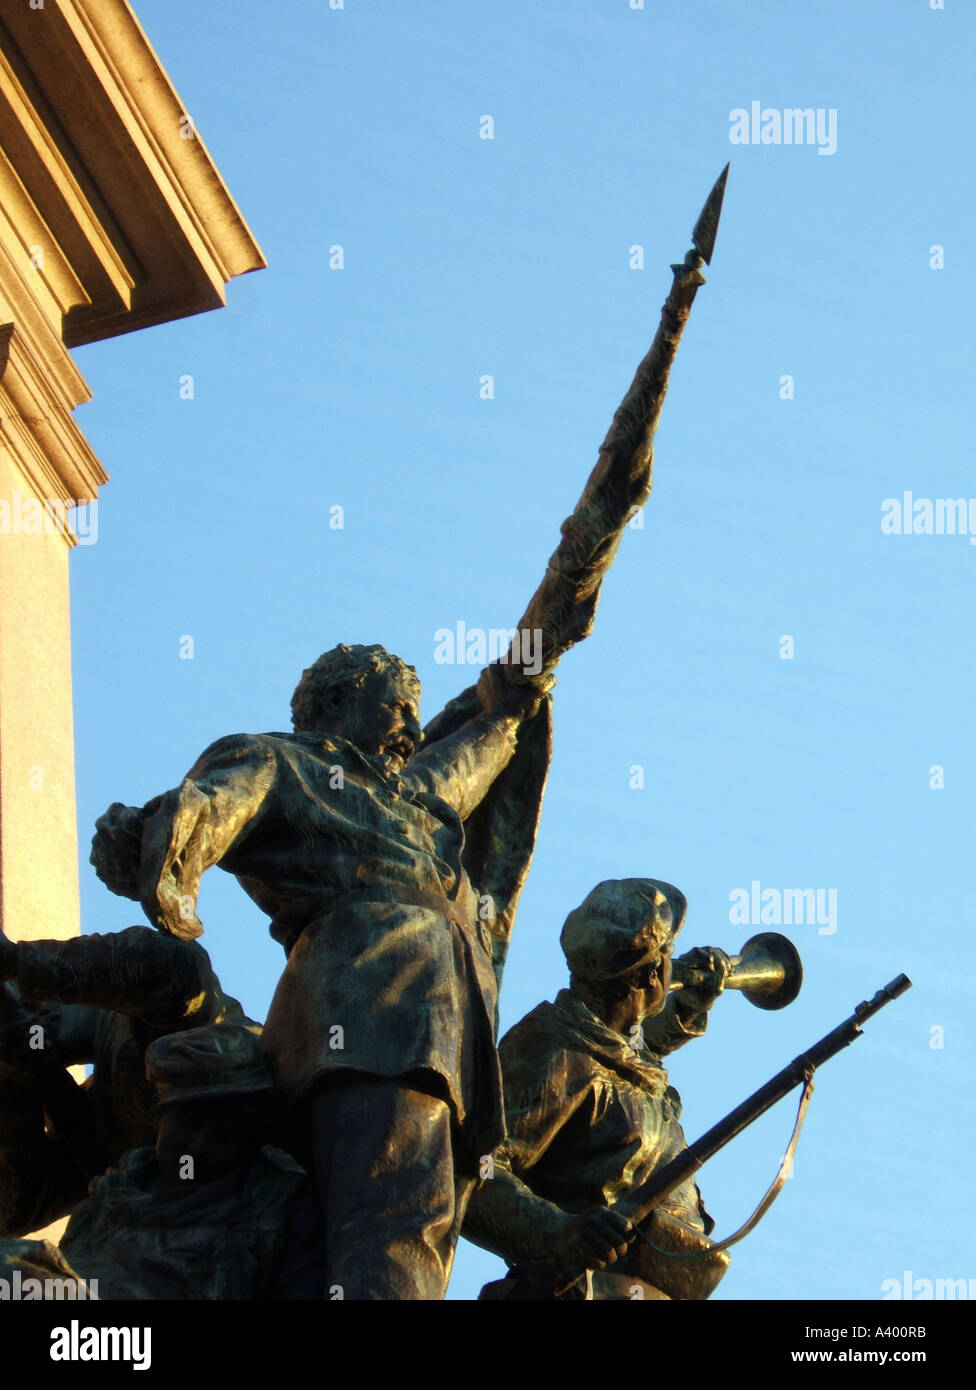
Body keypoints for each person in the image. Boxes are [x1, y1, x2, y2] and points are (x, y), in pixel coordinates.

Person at [94, 643, 551, 1299]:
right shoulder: (283, 762)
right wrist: (152, 841)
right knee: (393, 1242)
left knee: (340, 1249)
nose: (415, 731)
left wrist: (576, 573)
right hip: (378, 1021)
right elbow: (212, 806)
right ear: (337, 702)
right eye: (397, 708)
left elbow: (499, 728)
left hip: (442, 1043)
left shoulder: (417, 797)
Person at [463, 878, 732, 1300]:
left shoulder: (614, 1051)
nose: (674, 964)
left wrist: (688, 1006)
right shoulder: (550, 1052)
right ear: (650, 975)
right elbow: (472, 1173)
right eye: (667, 955)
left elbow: (626, 1053)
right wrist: (560, 1232)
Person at [0, 926, 252, 1237]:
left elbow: (17, 1207)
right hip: (123, 1131)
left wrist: (17, 1073)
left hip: (152, 1165)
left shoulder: (195, 1048)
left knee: (14, 1212)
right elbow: (178, 968)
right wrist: (16, 963)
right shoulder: (174, 1009)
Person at [51, 1023, 323, 1300]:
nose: (202, 1145)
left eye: (226, 1133)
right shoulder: (113, 1194)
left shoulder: (281, 1209)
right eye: (190, 1124)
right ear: (157, 1117)